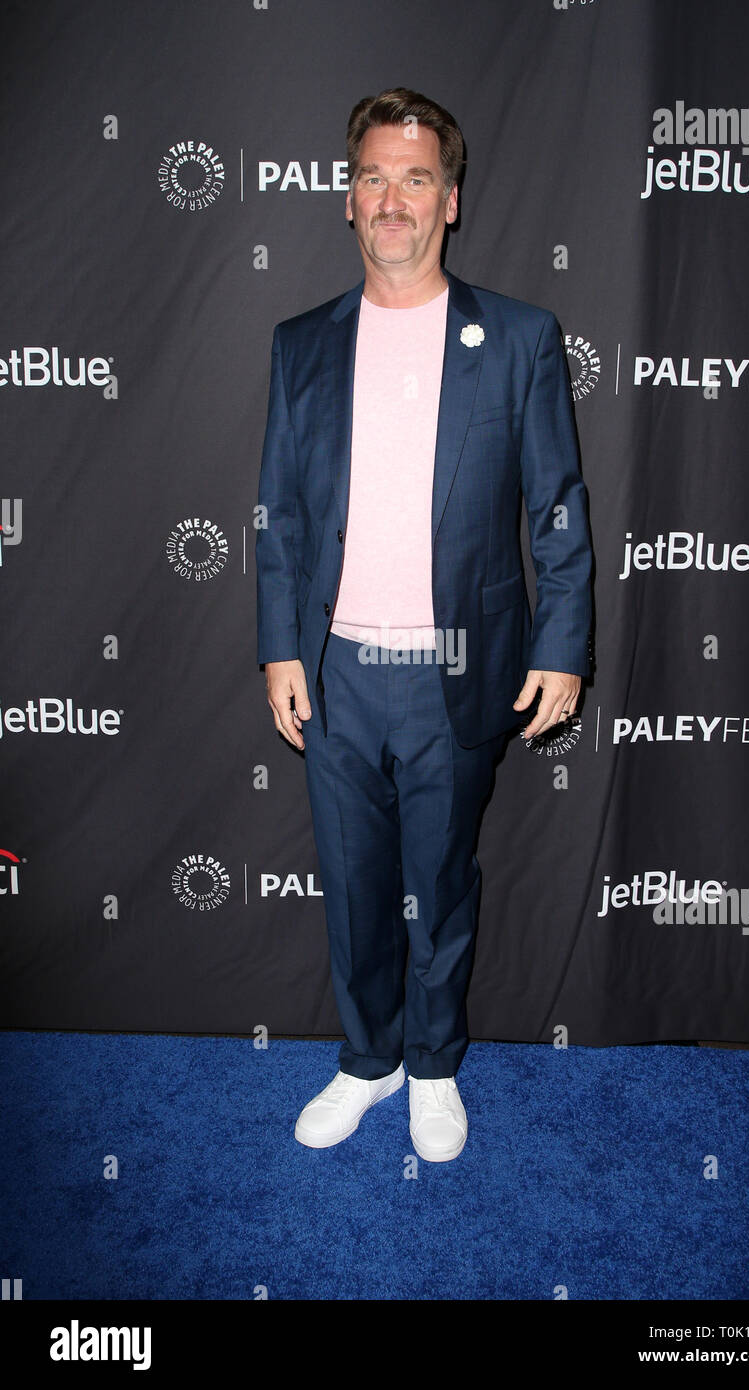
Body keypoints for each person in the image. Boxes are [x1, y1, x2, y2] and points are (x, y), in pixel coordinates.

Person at [255, 88, 593, 1163]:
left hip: (460, 668)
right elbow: (281, 514)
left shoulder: (522, 338)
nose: (390, 197)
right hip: (338, 667)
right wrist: (277, 645)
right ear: (345, 199)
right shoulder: (300, 343)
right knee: (355, 885)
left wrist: (562, 647)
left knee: (440, 883)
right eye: (372, 176)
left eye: (415, 178)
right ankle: (369, 1060)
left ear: (451, 200)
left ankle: (435, 1064)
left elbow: (555, 508)